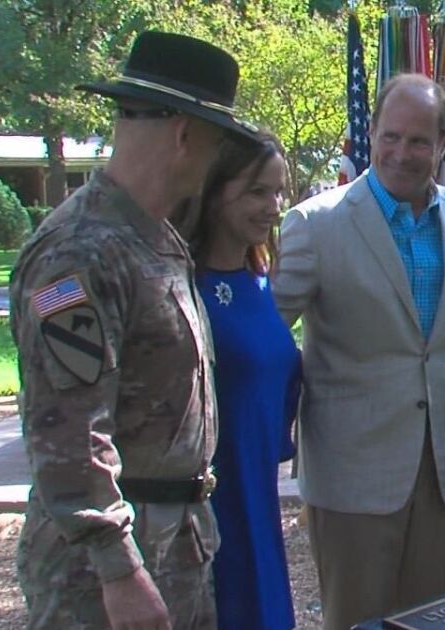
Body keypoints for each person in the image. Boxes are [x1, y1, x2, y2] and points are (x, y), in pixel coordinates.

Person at [11, 31, 260, 630]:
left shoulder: (158, 237)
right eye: (217, 140)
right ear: (184, 134)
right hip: (102, 575)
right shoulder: (79, 253)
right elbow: (67, 433)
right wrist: (118, 570)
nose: (216, 158)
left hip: (176, 544)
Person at [271, 73, 445, 629]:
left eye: (418, 141)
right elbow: (266, 339)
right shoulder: (316, 225)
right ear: (371, 134)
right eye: (390, 136)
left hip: (436, 469)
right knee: (356, 621)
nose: (401, 153)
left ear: (444, 145)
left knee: (424, 620)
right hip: (351, 472)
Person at [171, 130, 300, 630]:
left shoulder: (259, 280)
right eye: (256, 191)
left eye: (278, 191)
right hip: (208, 505)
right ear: (213, 188)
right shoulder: (183, 287)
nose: (273, 205)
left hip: (257, 492)